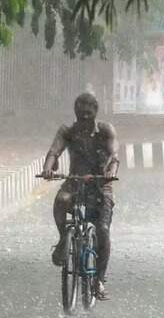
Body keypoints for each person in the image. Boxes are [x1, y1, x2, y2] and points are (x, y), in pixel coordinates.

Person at [41, 93, 120, 300]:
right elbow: (53, 152)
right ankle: (62, 241)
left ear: (95, 112)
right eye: (80, 112)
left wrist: (110, 171)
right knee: (61, 200)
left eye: (88, 112)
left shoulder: (106, 131)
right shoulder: (67, 131)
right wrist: (48, 168)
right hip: (75, 181)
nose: (84, 117)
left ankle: (99, 281)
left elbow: (114, 155)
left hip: (101, 184)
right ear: (75, 112)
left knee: (102, 230)